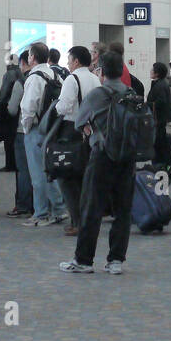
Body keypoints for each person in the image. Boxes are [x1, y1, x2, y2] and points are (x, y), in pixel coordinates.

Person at [59, 51, 134, 275]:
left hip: (102, 154)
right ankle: (116, 260)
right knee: (123, 209)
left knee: (92, 206)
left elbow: (80, 121)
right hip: (127, 155)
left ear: (100, 71)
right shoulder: (130, 93)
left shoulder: (97, 95)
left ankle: (84, 260)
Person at [17, 42, 66, 227]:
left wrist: (26, 127)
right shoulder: (55, 74)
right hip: (52, 127)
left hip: (37, 128)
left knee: (37, 173)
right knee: (50, 171)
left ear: (32, 57)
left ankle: (41, 213)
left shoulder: (34, 77)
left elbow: (28, 107)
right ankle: (59, 209)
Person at [55, 46, 100, 237]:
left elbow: (63, 106)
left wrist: (55, 106)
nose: (67, 63)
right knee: (84, 177)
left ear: (76, 61)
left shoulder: (72, 79)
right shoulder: (95, 78)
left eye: (69, 60)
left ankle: (77, 221)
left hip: (72, 130)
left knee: (66, 176)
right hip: (91, 131)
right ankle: (86, 218)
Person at [6, 50, 34, 218]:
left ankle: (23, 204)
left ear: (24, 63)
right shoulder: (49, 77)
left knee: (23, 170)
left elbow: (12, 109)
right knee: (37, 170)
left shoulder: (21, 83)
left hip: (22, 130)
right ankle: (38, 204)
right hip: (41, 130)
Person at [0, 53, 21, 173]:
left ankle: (9, 164)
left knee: (8, 139)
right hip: (19, 109)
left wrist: (0, 106)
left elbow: (4, 93)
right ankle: (15, 163)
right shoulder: (20, 72)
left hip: (8, 108)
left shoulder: (9, 74)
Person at [147, 61, 171, 170]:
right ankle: (161, 164)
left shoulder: (160, 85)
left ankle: (160, 165)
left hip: (158, 119)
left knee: (158, 143)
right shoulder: (160, 83)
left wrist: (147, 104)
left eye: (152, 69)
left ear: (157, 73)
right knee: (160, 142)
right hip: (159, 119)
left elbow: (161, 102)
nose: (150, 71)